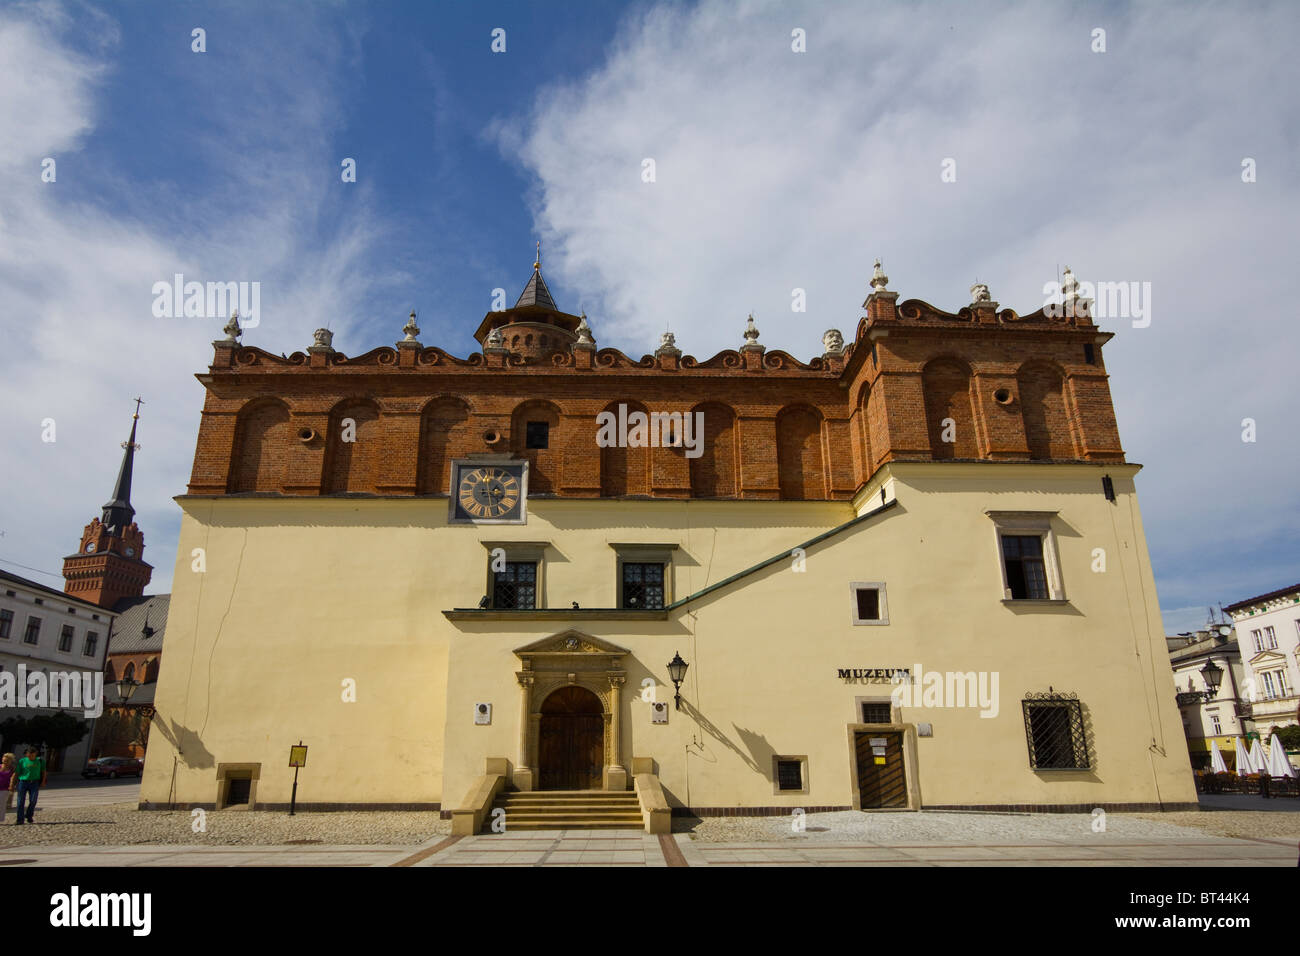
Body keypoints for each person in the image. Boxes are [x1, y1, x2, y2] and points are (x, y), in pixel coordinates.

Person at [15, 747, 46, 825]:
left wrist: (43, 781)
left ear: (35, 754)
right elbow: (17, 772)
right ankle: (20, 819)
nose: (30, 756)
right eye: (28, 755)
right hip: (23, 782)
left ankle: (29, 815)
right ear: (26, 754)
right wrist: (13, 783)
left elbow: (44, 772)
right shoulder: (22, 761)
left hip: (34, 783)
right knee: (20, 801)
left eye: (32, 755)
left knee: (33, 800)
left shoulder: (40, 761)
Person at [0, 754, 14, 824]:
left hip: (5, 789)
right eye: (4, 760)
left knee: (2, 804)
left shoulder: (12, 769)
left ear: (10, 761)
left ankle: (0, 819)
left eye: (7, 760)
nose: (5, 761)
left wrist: (12, 786)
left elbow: (14, 778)